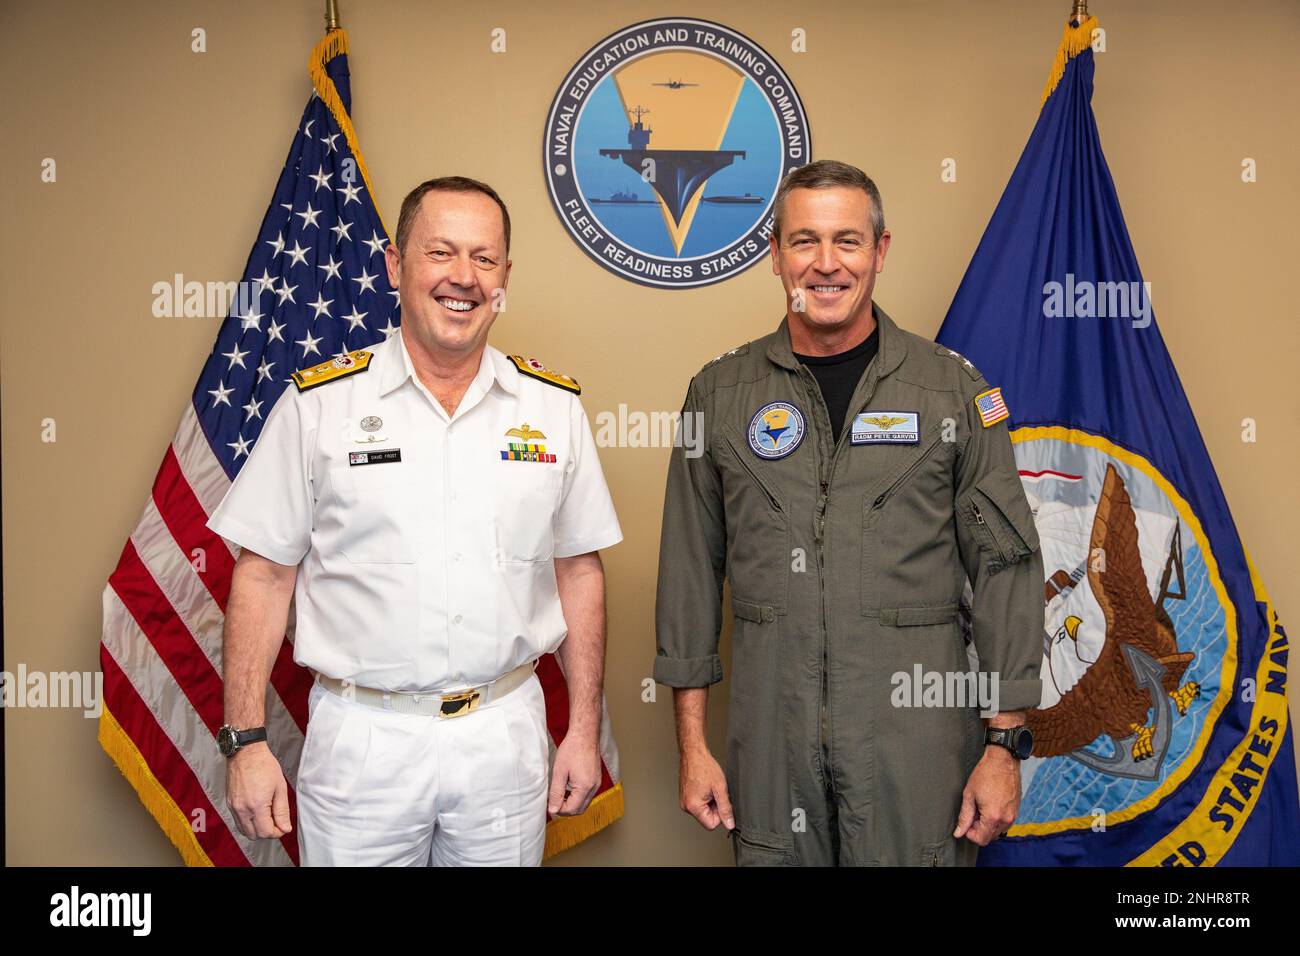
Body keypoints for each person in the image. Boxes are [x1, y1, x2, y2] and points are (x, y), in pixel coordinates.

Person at [209, 176, 622, 866]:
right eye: (441, 253)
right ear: (397, 265)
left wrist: (581, 728)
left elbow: (579, 568)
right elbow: (263, 575)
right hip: (363, 741)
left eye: (484, 259)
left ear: (505, 277)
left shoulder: (554, 410)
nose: (463, 277)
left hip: (503, 737)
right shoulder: (319, 406)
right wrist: (245, 741)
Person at [653, 160, 1044, 866]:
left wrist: (1004, 744)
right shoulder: (718, 395)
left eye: (848, 241)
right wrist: (693, 748)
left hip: (917, 747)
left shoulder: (951, 394)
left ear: (881, 251)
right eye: (804, 241)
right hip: (771, 746)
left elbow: (1006, 571)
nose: (826, 264)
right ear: (775, 256)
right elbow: (688, 574)